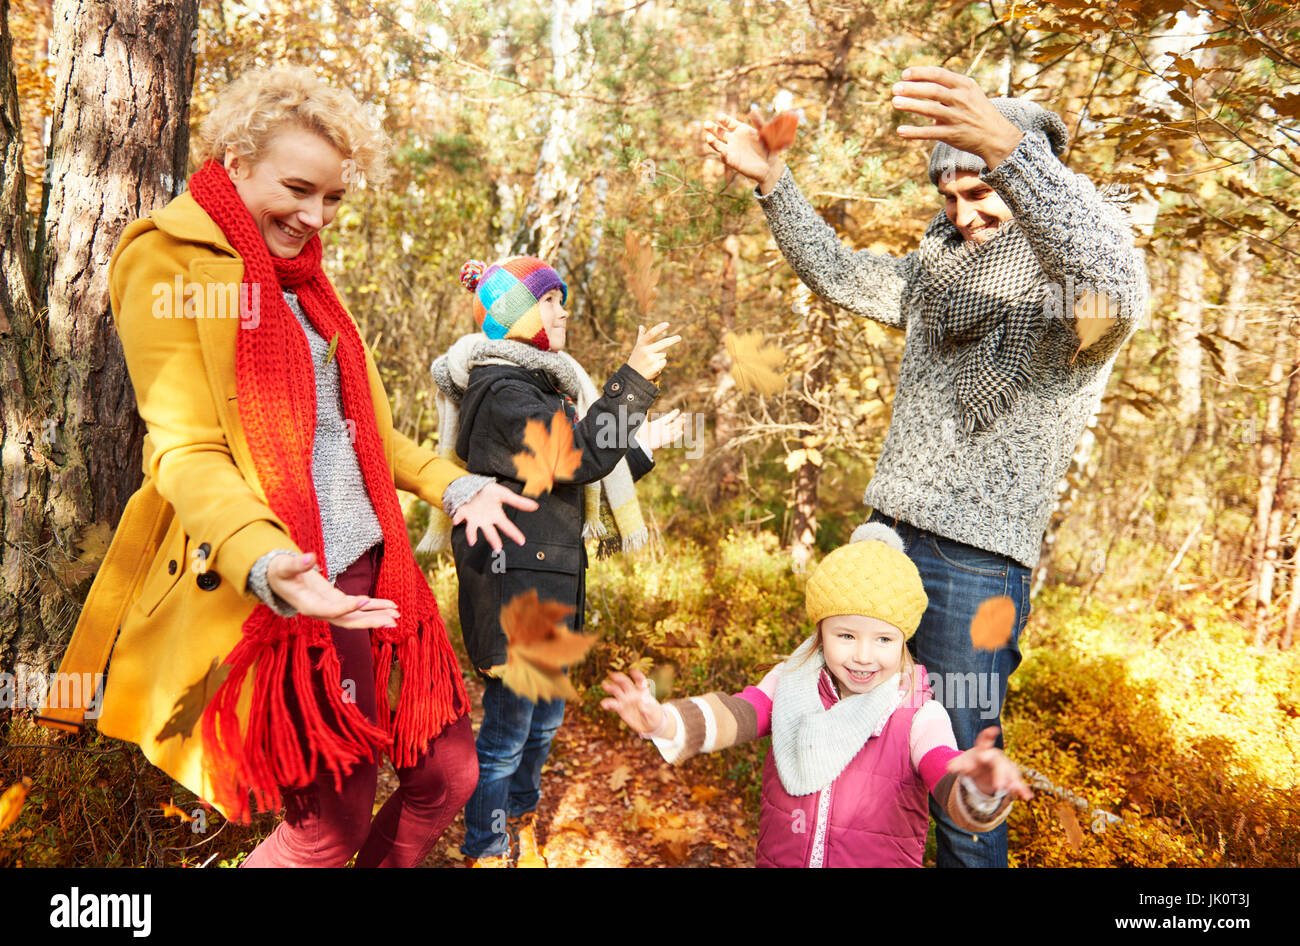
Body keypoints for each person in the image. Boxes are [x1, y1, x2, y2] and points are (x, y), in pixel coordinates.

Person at [40, 66, 536, 867]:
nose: (315, 217)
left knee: (448, 774)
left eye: (334, 197)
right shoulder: (172, 261)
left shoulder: (308, 283)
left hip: (379, 574)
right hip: (285, 578)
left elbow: (365, 433)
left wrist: (457, 484)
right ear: (236, 161)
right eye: (299, 188)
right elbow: (185, 449)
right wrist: (269, 561)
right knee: (324, 832)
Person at [702, 66, 1147, 867]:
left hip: (977, 573)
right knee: (857, 754)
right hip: (885, 542)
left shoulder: (1072, 299)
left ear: (1028, 181)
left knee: (961, 783)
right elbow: (840, 271)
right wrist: (774, 182)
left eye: (983, 193)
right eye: (949, 198)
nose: (965, 216)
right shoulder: (934, 274)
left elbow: (1111, 279)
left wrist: (1013, 154)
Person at [427, 256, 684, 866]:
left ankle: (521, 814)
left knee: (543, 726)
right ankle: (486, 845)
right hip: (516, 592)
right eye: (548, 300)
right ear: (514, 314)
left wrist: (643, 444)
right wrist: (634, 379)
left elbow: (565, 480)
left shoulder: (544, 388)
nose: (562, 309)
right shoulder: (502, 392)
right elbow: (574, 458)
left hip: (552, 586)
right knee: (508, 736)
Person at [601, 523, 1033, 867]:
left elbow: (943, 771)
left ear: (904, 639)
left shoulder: (918, 712)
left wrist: (976, 784)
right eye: (846, 634)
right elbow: (739, 713)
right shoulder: (791, 683)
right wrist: (664, 721)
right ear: (820, 630)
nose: (864, 656)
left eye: (884, 640)